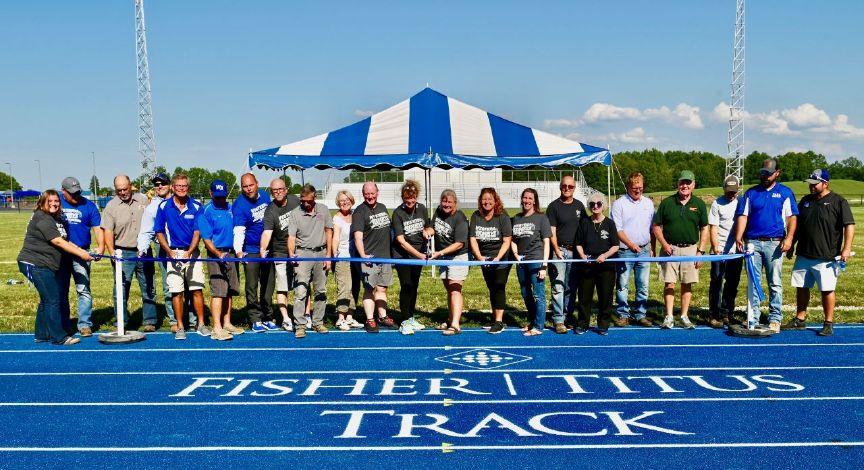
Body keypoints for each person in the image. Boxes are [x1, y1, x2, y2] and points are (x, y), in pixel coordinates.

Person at [784, 169, 854, 337]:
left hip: (826, 256)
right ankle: (800, 319)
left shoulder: (839, 201)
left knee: (827, 290)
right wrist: (791, 244)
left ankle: (828, 322)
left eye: (815, 184)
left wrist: (846, 247)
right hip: (804, 254)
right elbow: (797, 225)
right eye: (810, 184)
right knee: (801, 287)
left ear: (825, 183)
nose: (812, 187)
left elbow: (849, 225)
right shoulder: (805, 201)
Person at [17, 190, 93, 345]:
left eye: (56, 201)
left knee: (47, 299)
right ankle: (59, 337)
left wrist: (83, 252)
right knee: (53, 299)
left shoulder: (55, 219)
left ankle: (42, 335)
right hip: (35, 263)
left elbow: (66, 241)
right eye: (49, 201)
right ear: (42, 202)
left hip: (45, 264)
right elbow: (58, 242)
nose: (53, 204)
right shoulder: (42, 217)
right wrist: (82, 255)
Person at [734, 158, 798, 333]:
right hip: (752, 243)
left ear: (777, 173)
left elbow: (791, 217)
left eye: (768, 174)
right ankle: (752, 317)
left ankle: (775, 317)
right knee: (753, 282)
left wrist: (789, 238)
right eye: (763, 173)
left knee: (775, 282)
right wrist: (739, 236)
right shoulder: (751, 193)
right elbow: (743, 215)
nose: (765, 176)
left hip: (774, 243)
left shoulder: (785, 193)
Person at [652, 170, 709, 330]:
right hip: (670, 249)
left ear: (693, 185)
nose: (685, 186)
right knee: (669, 284)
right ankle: (669, 316)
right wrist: (664, 244)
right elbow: (656, 226)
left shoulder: (699, 204)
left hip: (691, 249)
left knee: (687, 284)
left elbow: (704, 228)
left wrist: (701, 251)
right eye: (682, 183)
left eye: (688, 183)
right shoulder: (667, 203)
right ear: (678, 184)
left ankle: (684, 316)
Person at [137, 173, 193, 332]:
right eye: (156, 184)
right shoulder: (153, 207)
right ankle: (175, 320)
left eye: (163, 183)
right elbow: (146, 231)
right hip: (164, 248)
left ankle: (192, 318)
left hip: (186, 247)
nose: (159, 186)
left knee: (191, 285)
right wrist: (142, 248)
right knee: (170, 285)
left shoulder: (183, 200)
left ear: (170, 185)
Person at [154, 173, 208, 340]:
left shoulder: (197, 206)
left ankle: (201, 324)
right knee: (176, 292)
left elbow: (198, 232)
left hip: (192, 253)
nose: (182, 189)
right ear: (173, 187)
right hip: (173, 253)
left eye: (185, 186)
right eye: (178, 186)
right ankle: (180, 326)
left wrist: (190, 251)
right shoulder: (164, 207)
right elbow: (159, 231)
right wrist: (170, 252)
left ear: (188, 188)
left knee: (197, 290)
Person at [101, 175, 157, 331]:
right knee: (121, 287)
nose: (122, 192)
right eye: (119, 190)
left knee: (148, 285)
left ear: (131, 186)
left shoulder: (144, 200)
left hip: (144, 251)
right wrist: (112, 253)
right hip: (123, 252)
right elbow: (107, 231)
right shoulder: (111, 206)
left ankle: (150, 321)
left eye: (125, 189)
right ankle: (121, 321)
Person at [58, 176, 104, 336]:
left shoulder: (89, 205)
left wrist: (101, 247)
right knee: (61, 290)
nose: (76, 196)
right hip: (60, 254)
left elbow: (98, 228)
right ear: (63, 191)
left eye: (78, 192)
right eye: (72, 193)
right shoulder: (55, 203)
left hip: (82, 254)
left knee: (83, 289)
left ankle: (84, 324)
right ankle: (63, 324)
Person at [197, 180, 242, 341]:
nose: (220, 200)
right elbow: (207, 239)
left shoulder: (231, 208)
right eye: (217, 197)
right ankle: (216, 327)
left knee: (230, 290)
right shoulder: (206, 211)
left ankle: (227, 323)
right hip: (216, 255)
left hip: (231, 254)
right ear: (211, 194)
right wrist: (217, 253)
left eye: (223, 196)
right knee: (218, 292)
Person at [287, 184, 333, 338]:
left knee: (321, 290)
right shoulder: (295, 213)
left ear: (315, 198)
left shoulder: (323, 210)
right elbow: (291, 237)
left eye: (308, 201)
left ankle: (318, 322)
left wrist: (329, 255)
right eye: (303, 201)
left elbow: (329, 231)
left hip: (321, 252)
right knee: (300, 290)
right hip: (303, 254)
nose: (305, 204)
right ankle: (300, 325)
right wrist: (291, 254)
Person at [233, 173, 277, 333]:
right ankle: (255, 318)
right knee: (252, 286)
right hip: (250, 250)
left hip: (267, 249)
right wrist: (238, 251)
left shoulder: (265, 196)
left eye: (250, 185)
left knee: (268, 284)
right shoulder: (239, 205)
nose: (248, 189)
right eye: (244, 186)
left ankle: (268, 316)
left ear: (257, 184)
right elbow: (238, 231)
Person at [351, 182, 397, 333]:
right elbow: (357, 237)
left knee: (382, 288)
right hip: (369, 257)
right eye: (367, 194)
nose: (370, 196)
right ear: (363, 194)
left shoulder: (383, 207)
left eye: (372, 193)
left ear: (377, 192)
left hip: (385, 257)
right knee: (369, 288)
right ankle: (370, 319)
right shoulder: (359, 212)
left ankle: (382, 317)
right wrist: (363, 256)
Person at [611, 172, 655, 327]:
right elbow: (617, 230)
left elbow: (653, 228)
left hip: (644, 250)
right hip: (625, 250)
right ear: (628, 186)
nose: (638, 191)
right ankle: (623, 314)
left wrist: (652, 247)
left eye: (641, 188)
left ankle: (640, 314)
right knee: (622, 284)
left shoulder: (648, 203)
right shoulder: (619, 204)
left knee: (643, 284)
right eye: (635, 188)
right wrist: (630, 245)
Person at [574, 193, 620, 335]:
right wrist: (582, 256)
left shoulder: (610, 223)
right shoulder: (584, 222)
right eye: (592, 204)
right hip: (587, 265)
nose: (595, 206)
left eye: (598, 204)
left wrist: (605, 255)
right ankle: (582, 323)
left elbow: (616, 245)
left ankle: (603, 324)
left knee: (605, 296)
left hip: (606, 265)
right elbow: (578, 243)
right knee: (584, 296)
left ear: (603, 206)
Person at [391, 180, 433, 334]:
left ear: (416, 197)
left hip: (418, 254)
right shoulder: (398, 213)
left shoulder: (421, 209)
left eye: (412, 198)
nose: (410, 201)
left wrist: (428, 231)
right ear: (403, 198)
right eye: (407, 199)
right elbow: (400, 241)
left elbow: (428, 226)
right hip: (403, 256)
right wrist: (419, 255)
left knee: (414, 286)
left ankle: (411, 317)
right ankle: (404, 320)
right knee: (406, 285)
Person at [259, 177, 301, 332]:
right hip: (281, 252)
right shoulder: (270, 210)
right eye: (274, 190)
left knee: (302, 285)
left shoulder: (295, 201)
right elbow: (267, 232)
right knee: (283, 287)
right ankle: (286, 318)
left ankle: (305, 316)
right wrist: (263, 249)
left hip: (299, 251)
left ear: (286, 189)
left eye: (280, 189)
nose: (277, 193)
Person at [469, 188, 513, 334]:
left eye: (490, 199)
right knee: (491, 288)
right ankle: (495, 319)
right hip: (484, 258)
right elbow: (473, 239)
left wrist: (498, 258)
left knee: (499, 287)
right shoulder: (476, 216)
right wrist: (480, 257)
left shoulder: (503, 216)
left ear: (495, 201)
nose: (487, 202)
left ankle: (499, 321)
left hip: (500, 257)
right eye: (484, 199)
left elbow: (507, 240)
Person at [546, 175, 586, 333]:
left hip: (575, 252)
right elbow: (552, 232)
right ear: (560, 187)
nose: (567, 189)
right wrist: (556, 250)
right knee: (558, 286)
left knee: (571, 287)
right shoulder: (553, 207)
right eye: (564, 186)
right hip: (559, 251)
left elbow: (584, 229)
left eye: (570, 186)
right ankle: (558, 319)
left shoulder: (580, 206)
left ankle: (568, 316)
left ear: (574, 188)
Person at [511, 188, 551, 336]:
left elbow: (547, 242)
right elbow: (513, 240)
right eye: (525, 198)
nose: (527, 201)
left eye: (530, 198)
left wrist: (544, 265)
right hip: (521, 262)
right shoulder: (516, 218)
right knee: (525, 293)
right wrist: (516, 255)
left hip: (536, 260)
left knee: (538, 294)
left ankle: (538, 327)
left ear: (534, 201)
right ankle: (533, 321)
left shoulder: (542, 218)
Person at [429, 189, 469, 336]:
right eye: (444, 201)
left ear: (455, 203)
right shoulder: (439, 212)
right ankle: (451, 318)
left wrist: (440, 253)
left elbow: (459, 243)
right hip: (444, 257)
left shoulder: (460, 218)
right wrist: (428, 231)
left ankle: (455, 325)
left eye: (449, 202)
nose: (446, 204)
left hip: (457, 257)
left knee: (455, 289)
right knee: (449, 290)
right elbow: (433, 227)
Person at [707, 175, 743, 328]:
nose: (732, 194)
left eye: (734, 191)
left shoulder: (741, 203)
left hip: (736, 251)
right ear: (724, 189)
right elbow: (713, 227)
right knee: (716, 281)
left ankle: (727, 312)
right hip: (719, 250)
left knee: (732, 283)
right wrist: (716, 247)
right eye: (729, 191)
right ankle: (714, 314)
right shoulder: (716, 203)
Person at [332, 190, 363, 331]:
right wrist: (334, 253)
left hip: (355, 256)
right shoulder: (337, 218)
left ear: (351, 200)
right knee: (344, 287)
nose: (345, 202)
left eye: (347, 200)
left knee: (354, 287)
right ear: (338, 203)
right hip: (342, 256)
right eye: (342, 200)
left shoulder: (355, 215)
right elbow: (336, 237)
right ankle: (340, 318)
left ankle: (350, 316)